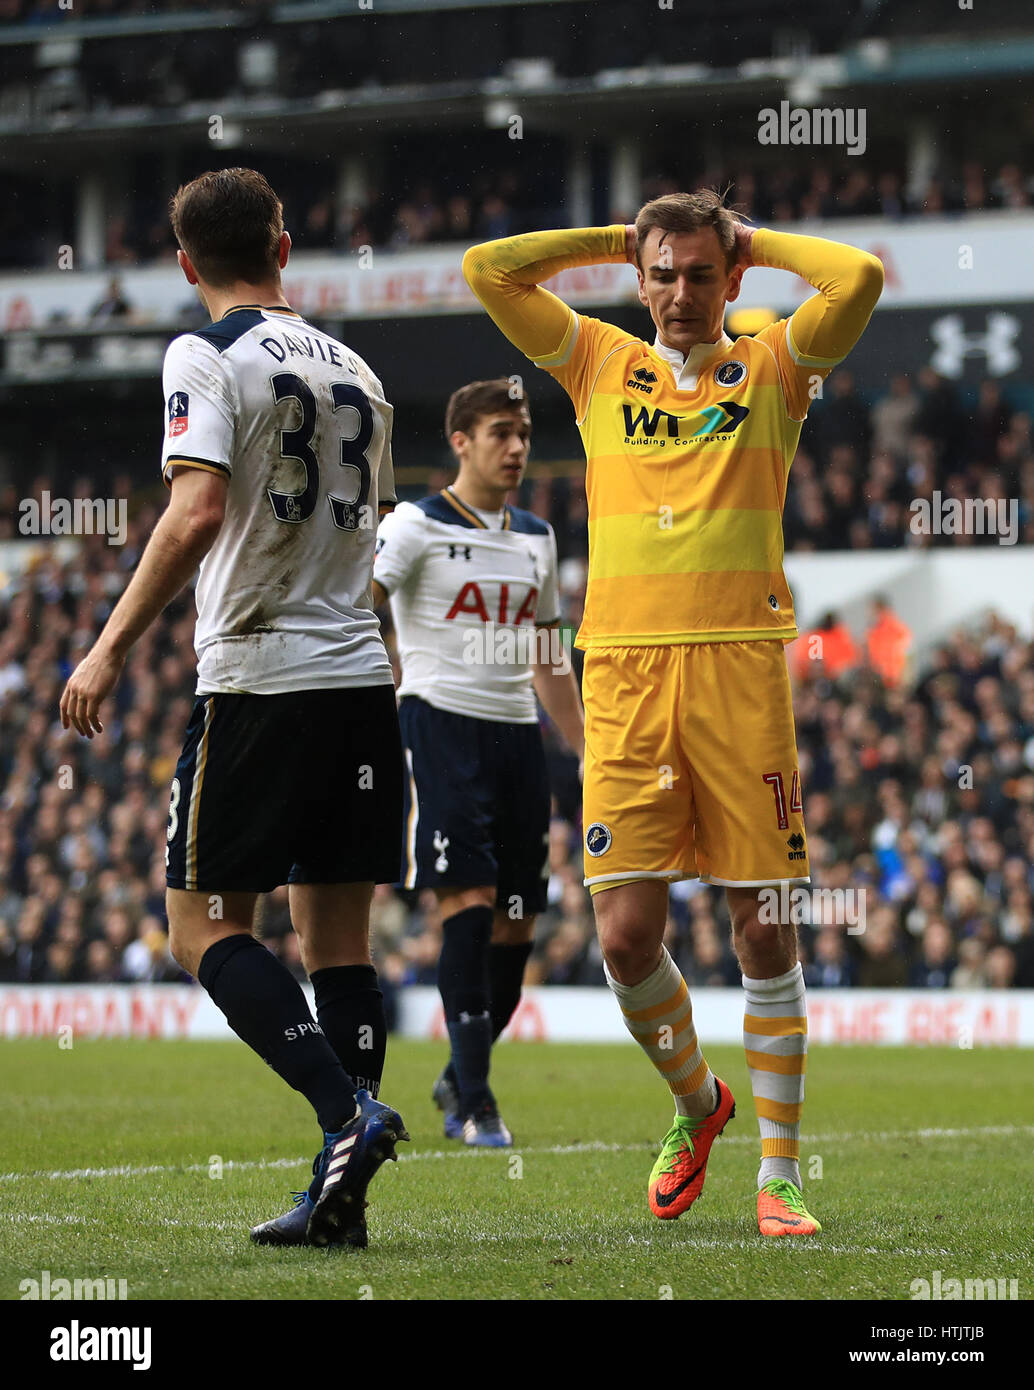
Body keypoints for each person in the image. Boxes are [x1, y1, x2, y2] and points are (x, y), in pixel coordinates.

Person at [464, 187, 884, 1236]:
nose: (681, 292)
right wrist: (617, 237)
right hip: (622, 673)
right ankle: (698, 1105)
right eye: (661, 273)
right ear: (637, 278)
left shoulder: (778, 366)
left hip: (739, 668)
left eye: (701, 274)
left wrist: (749, 241)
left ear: (729, 276)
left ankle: (779, 1177)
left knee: (760, 926)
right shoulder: (600, 362)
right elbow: (489, 269)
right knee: (622, 931)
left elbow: (860, 278)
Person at [59, 167, 408, 1251]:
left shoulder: (203, 352)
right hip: (359, 679)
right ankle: (339, 1193)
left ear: (182, 265)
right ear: (284, 245)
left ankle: (344, 1112)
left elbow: (195, 507)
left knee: (201, 925)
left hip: (260, 676)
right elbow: (377, 538)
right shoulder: (358, 367)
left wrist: (110, 646)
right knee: (338, 938)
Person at [372, 379, 583, 1145]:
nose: (518, 447)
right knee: (467, 903)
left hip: (518, 736)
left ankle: (461, 1073)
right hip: (439, 725)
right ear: (460, 441)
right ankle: (476, 1104)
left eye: (524, 433)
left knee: (518, 927)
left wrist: (588, 750)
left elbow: (548, 655)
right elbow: (360, 599)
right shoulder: (414, 527)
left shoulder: (535, 536)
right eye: (501, 433)